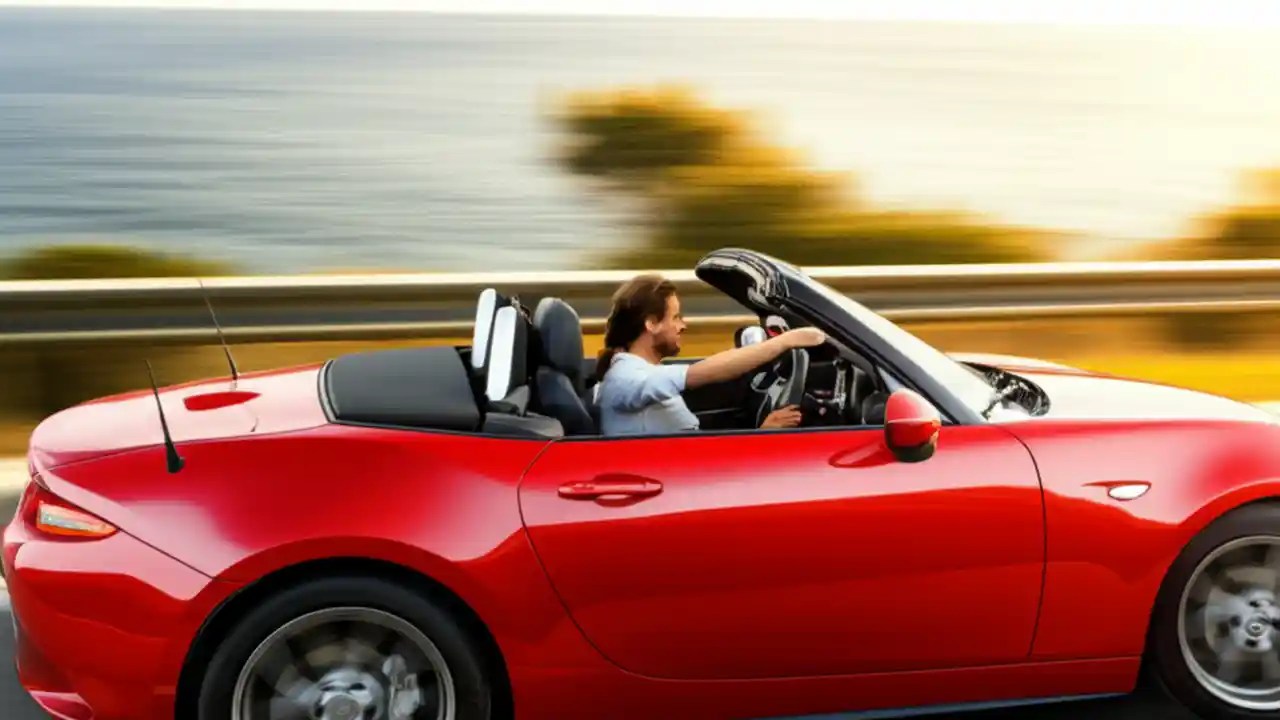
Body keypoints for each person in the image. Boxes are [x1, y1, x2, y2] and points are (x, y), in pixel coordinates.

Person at [595, 273, 826, 436]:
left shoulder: (637, 372)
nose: (683, 326)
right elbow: (705, 371)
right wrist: (784, 342)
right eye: (675, 317)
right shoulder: (627, 378)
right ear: (651, 324)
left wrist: (759, 433)